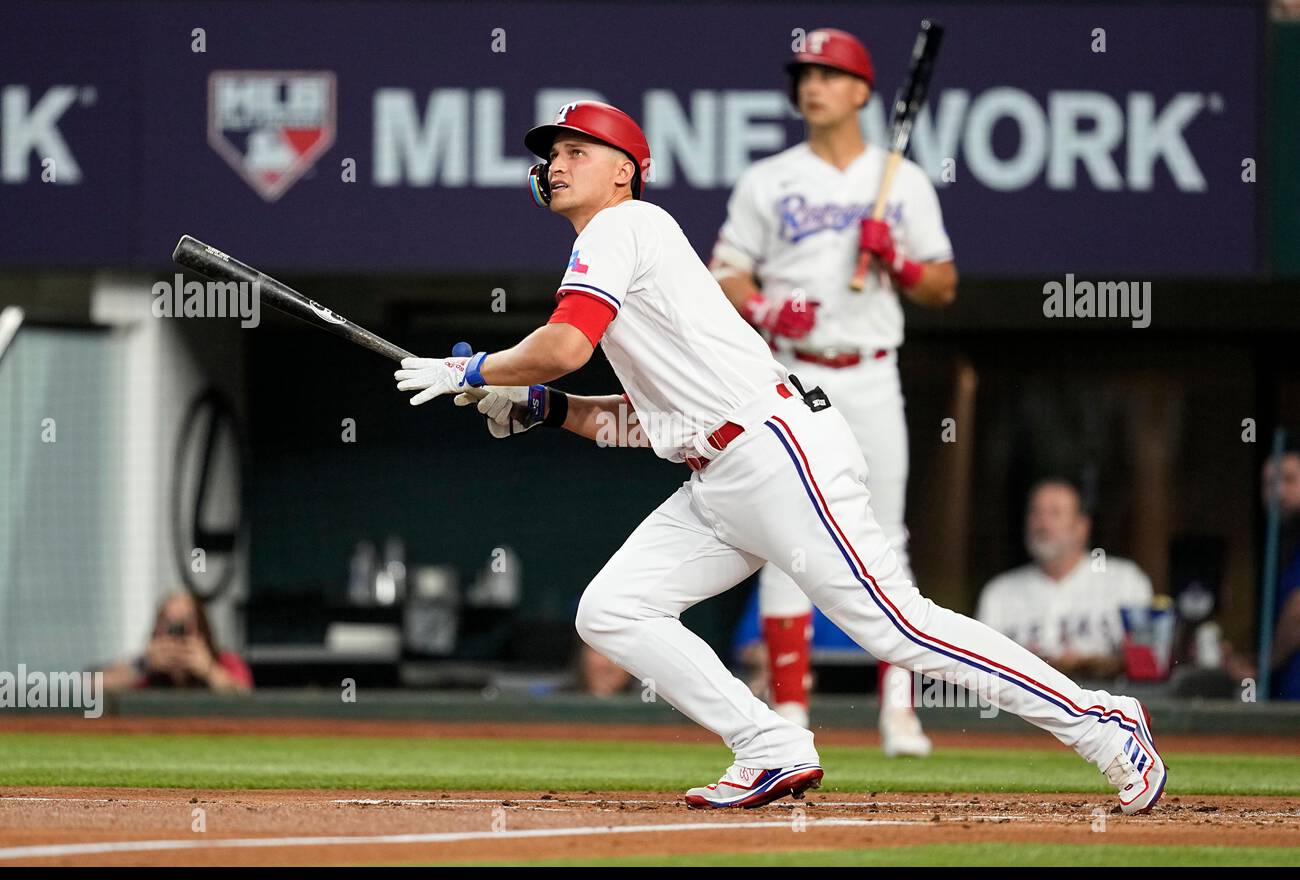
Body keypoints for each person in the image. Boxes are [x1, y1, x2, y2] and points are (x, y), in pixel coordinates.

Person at [393, 100, 1165, 813]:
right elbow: (644, 421)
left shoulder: (621, 228)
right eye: (551, 154)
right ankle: (769, 744)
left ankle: (1105, 721)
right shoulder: (628, 253)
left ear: (625, 168)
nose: (556, 164)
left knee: (900, 629)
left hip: (775, 452)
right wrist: (540, 407)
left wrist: (473, 369)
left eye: (576, 150)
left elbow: (562, 347)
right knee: (613, 610)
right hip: (721, 474)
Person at [710, 27, 957, 757]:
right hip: (793, 370)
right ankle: (788, 711)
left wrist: (900, 264)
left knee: (887, 537)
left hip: (873, 369)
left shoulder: (901, 179)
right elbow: (724, 272)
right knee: (791, 539)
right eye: (804, 74)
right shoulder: (768, 177)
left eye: (827, 73)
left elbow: (943, 283)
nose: (811, 85)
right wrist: (762, 309)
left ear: (859, 90)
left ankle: (899, 713)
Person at [976, 479, 1153, 680]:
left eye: (1055, 513)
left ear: (1082, 526)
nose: (1043, 524)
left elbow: (1147, 663)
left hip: (1104, 704)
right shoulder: (999, 592)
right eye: (1036, 513)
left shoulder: (1126, 581)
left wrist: (1092, 664)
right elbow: (980, 672)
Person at [101, 590, 253, 692]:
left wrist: (209, 672)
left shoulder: (226, 663)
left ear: (201, 631)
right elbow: (92, 689)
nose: (176, 636)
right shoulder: (145, 668)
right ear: (157, 631)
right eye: (169, 624)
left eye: (184, 625)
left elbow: (249, 699)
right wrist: (145, 665)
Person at [1262, 440, 1300, 698]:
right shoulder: (1280, 541)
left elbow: (1298, 614)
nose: (1278, 491)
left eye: (1289, 480)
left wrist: (1262, 666)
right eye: (1269, 483)